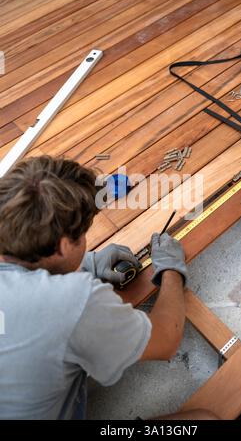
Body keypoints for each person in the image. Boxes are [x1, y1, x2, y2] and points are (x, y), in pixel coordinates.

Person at [0, 155, 217, 420]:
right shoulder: (72, 302)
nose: (84, 242)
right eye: (80, 237)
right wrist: (171, 268)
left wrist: (87, 263)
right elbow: (167, 339)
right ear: (62, 246)